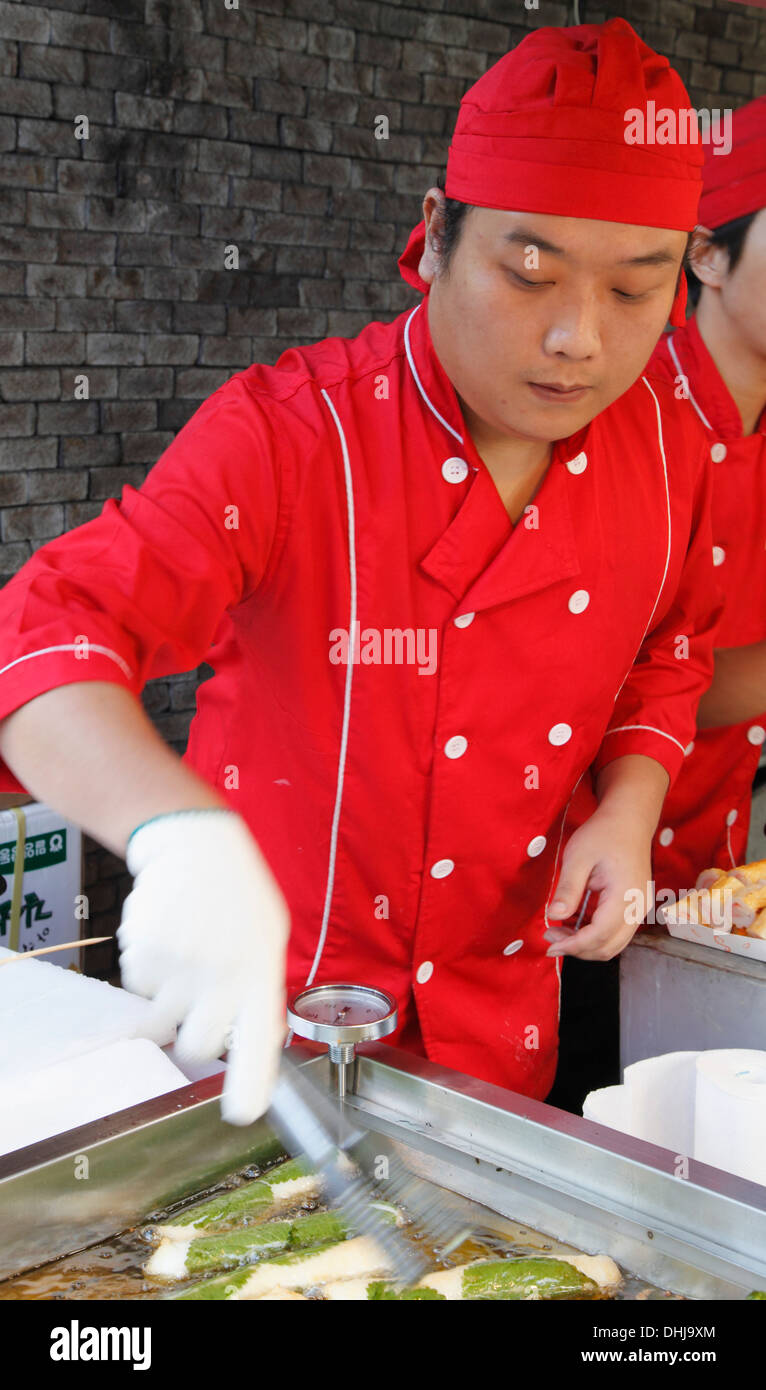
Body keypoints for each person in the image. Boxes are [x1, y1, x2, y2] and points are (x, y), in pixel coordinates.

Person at [0, 19, 721, 1125]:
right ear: (435, 235)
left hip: (497, 1041)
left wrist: (627, 806)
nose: (578, 336)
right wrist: (172, 830)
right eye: (529, 270)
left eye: (634, 291)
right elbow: (48, 632)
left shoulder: (665, 448)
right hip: (262, 1032)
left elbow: (667, 647)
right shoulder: (291, 437)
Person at [647, 95, 766, 895]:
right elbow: (614, 688)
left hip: (710, 880)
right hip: (565, 904)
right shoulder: (629, 413)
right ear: (707, 256)